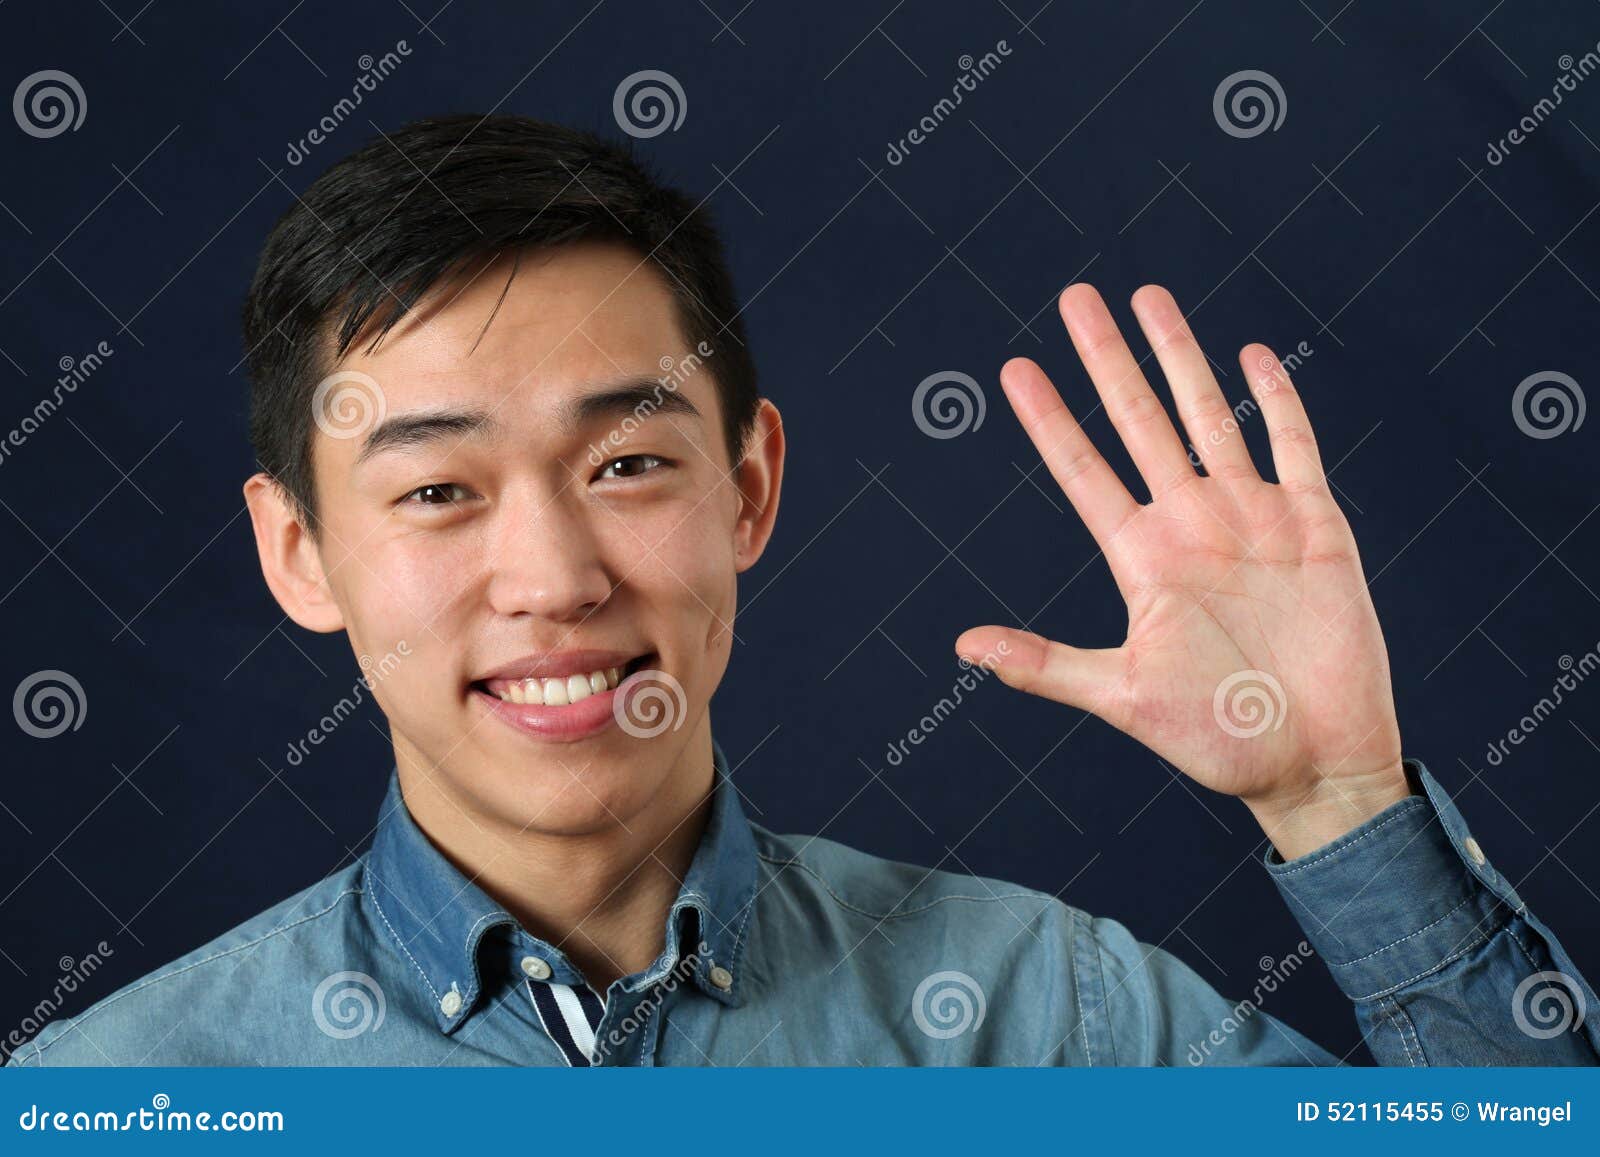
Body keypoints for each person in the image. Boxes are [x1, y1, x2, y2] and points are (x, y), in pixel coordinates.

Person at [11, 114, 1595, 1067]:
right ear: (300, 551)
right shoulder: (131, 1085)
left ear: (750, 484)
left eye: (627, 464)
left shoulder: (1051, 1022)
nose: (556, 577)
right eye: (437, 490)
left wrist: (1340, 799)